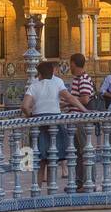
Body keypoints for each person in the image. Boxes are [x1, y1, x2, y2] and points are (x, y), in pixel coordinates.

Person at [22, 59, 87, 186]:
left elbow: (24, 106)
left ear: (39, 73)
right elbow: (69, 97)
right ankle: (52, 190)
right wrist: (84, 109)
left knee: (40, 161)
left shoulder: (33, 85)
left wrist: (30, 115)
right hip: (55, 123)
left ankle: (37, 190)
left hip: (38, 124)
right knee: (53, 158)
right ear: (52, 72)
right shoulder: (58, 82)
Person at [68, 52, 95, 191]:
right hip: (76, 119)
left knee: (85, 151)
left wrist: (70, 100)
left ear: (74, 63)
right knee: (78, 152)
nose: (69, 66)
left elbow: (85, 99)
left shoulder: (83, 79)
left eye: (70, 63)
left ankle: (88, 181)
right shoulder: (77, 79)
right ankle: (79, 182)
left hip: (82, 120)